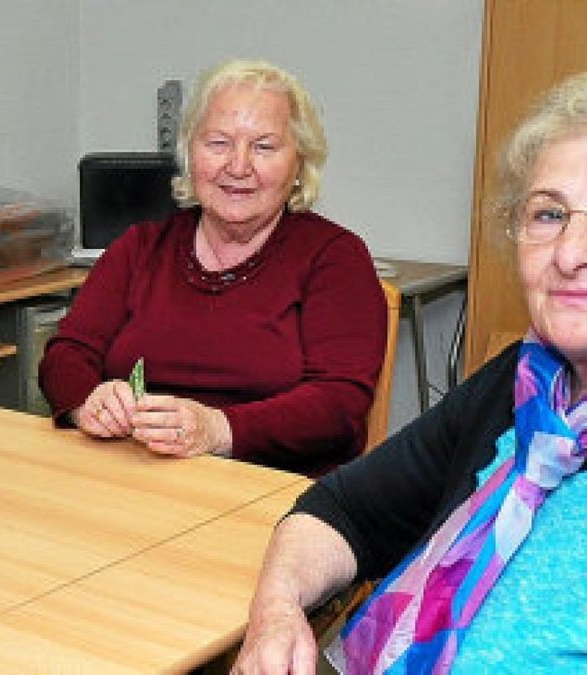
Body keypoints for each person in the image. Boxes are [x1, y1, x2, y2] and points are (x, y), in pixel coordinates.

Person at [234, 71, 587, 675]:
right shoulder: (526, 384)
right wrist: (277, 611)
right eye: (549, 214)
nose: (570, 252)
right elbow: (345, 510)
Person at [39, 60, 385, 476]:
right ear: (190, 155)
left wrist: (218, 429)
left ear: (299, 164)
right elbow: (66, 354)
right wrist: (88, 402)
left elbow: (340, 404)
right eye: (219, 143)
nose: (238, 167)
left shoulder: (335, 257)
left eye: (264, 147)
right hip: (135, 476)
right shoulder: (140, 247)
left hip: (272, 488)